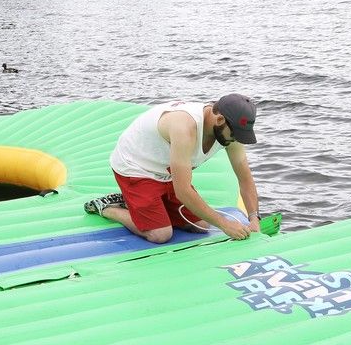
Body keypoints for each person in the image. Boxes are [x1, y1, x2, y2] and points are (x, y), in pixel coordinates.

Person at [84, 94, 261, 243]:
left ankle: (139, 204)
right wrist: (224, 224)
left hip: (167, 171)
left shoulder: (230, 130)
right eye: (235, 135)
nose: (236, 140)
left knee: (201, 225)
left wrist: (253, 218)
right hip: (136, 167)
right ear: (220, 119)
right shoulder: (185, 128)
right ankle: (107, 207)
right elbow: (183, 191)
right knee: (160, 234)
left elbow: (244, 178)